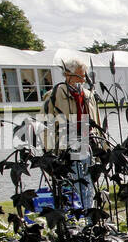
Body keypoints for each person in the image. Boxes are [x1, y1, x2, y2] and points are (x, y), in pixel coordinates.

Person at [42, 56, 101, 210]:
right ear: (68, 74)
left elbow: (97, 120)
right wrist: (49, 151)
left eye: (84, 76)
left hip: (87, 141)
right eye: (80, 76)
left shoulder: (88, 95)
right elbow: (46, 124)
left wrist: (102, 145)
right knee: (68, 182)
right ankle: (71, 219)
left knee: (87, 180)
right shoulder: (54, 95)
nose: (83, 80)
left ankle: (89, 214)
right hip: (65, 142)